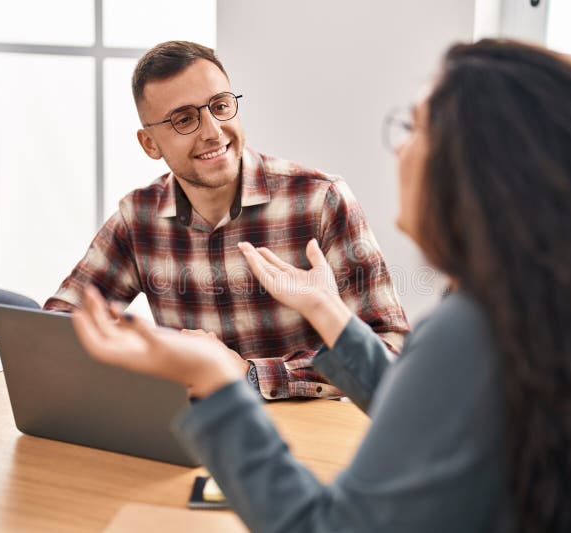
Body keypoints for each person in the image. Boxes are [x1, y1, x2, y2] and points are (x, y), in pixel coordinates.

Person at [70, 39, 571, 533]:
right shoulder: (544, 308)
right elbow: (431, 409)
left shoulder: (471, 325)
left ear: (482, 171)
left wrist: (218, 378)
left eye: (416, 128)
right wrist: (329, 315)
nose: (398, 149)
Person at [44, 41, 409, 400]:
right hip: (196, 437)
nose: (213, 131)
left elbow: (389, 351)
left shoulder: (320, 199)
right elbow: (56, 330)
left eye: (220, 106)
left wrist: (250, 375)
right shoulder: (138, 217)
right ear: (150, 144)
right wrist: (141, 355)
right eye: (184, 119)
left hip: (307, 438)